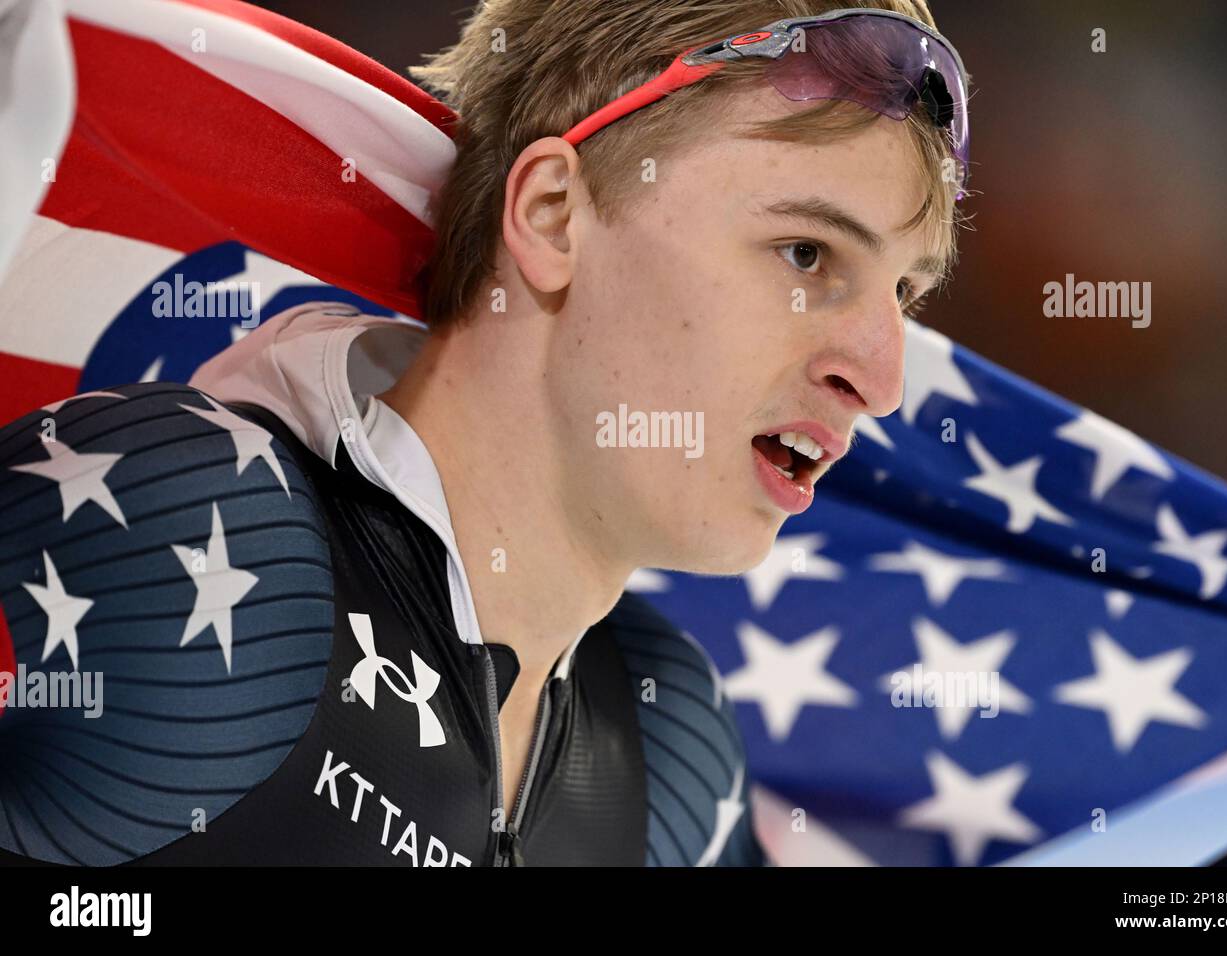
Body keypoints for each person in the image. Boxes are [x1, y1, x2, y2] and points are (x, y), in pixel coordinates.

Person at [0, 0, 967, 866]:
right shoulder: (187, 531)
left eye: (906, 296)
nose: (881, 381)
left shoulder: (669, 761)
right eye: (806, 252)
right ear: (552, 216)